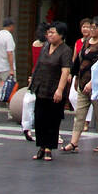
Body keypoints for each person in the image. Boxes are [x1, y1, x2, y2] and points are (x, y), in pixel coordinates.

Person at [28, 23, 72, 161]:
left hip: (54, 89)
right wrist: (33, 80)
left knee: (52, 119)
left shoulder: (65, 50)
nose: (50, 35)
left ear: (61, 35)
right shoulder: (45, 47)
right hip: (42, 87)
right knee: (40, 118)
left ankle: (49, 148)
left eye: (53, 32)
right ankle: (41, 146)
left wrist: (60, 90)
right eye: (49, 32)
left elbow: (65, 71)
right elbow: (39, 65)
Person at [64, 17, 98, 152]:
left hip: (97, 87)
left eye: (95, 28)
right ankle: (74, 142)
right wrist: (73, 74)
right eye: (91, 27)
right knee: (80, 115)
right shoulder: (86, 43)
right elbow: (78, 60)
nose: (92, 30)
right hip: (83, 85)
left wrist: (92, 82)